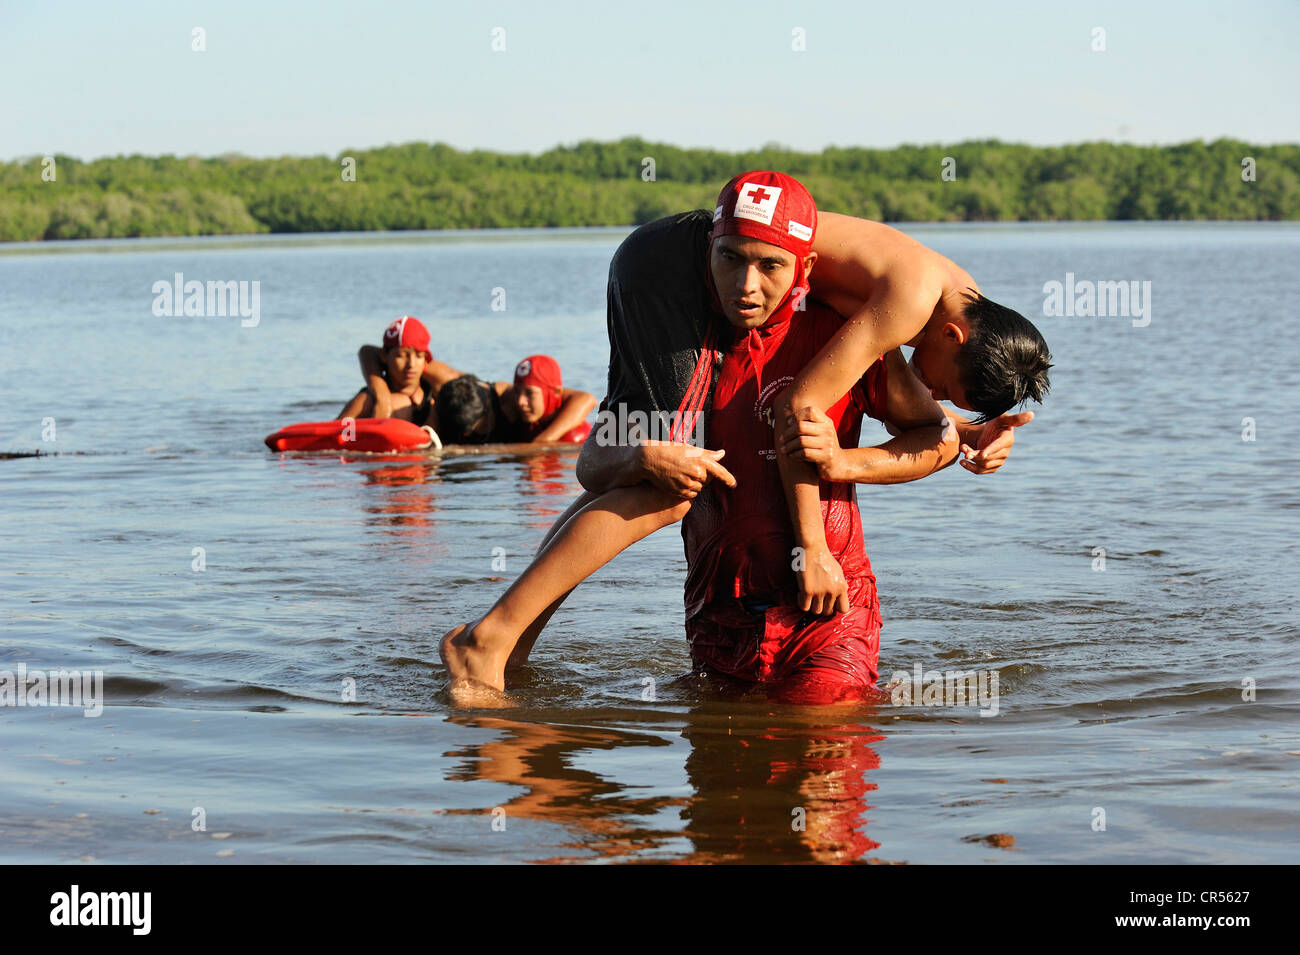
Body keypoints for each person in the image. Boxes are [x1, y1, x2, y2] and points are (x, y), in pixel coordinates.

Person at [440, 170, 1050, 703]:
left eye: (955, 403)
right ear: (954, 338)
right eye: (953, 391)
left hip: (679, 249)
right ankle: (493, 638)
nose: (940, 395)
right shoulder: (910, 299)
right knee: (668, 483)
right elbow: (800, 406)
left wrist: (965, 433)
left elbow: (918, 421)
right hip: (677, 266)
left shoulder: (956, 294)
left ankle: (508, 641)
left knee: (644, 468)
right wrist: (813, 539)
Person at [336, 316, 436, 426]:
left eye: (419, 356)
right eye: (401, 356)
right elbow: (331, 436)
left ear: (426, 359)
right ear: (384, 355)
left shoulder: (434, 401)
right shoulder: (366, 402)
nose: (411, 364)